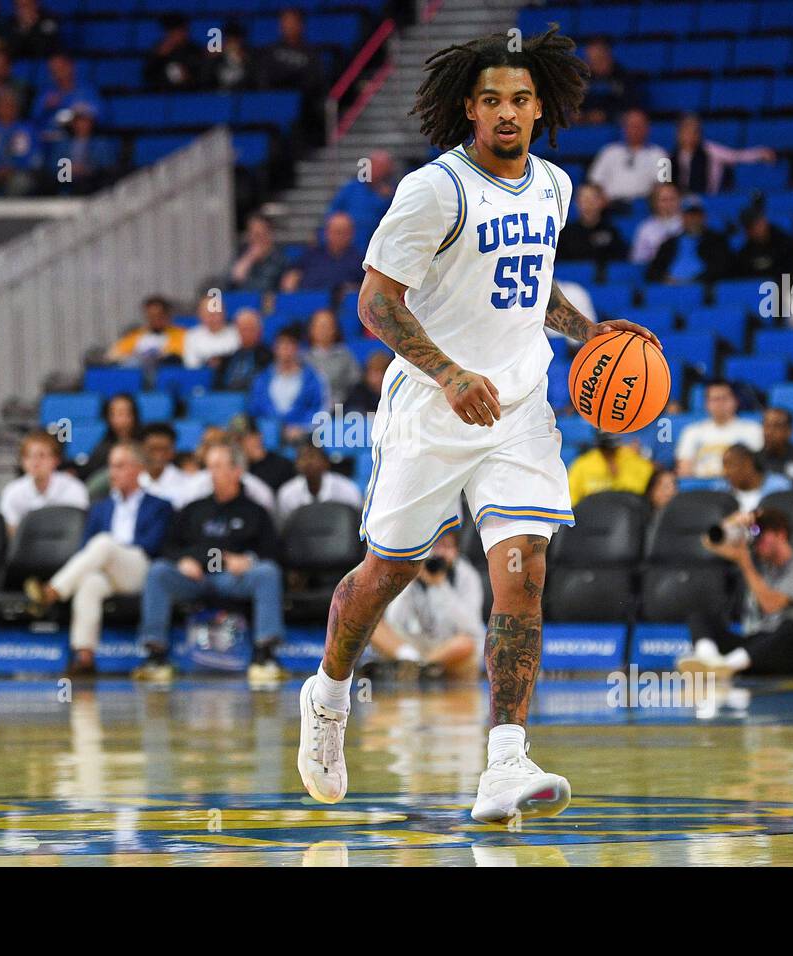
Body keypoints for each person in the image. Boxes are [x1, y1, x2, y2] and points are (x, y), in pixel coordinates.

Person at [296, 27, 658, 825]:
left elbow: (530, 295)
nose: (506, 112)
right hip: (433, 409)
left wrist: (588, 334)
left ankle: (505, 760)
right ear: (469, 106)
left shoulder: (556, 187)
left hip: (521, 407)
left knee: (523, 569)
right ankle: (326, 696)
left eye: (520, 100)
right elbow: (376, 302)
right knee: (386, 574)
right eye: (491, 99)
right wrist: (450, 373)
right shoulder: (434, 191)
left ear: (540, 109)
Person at [137, 443, 284, 683]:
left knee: (268, 573)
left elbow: (275, 553)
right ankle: (155, 654)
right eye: (209, 467)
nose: (210, 473)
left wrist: (249, 560)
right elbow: (166, 546)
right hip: (195, 577)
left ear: (237, 471)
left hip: (233, 578)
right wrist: (181, 560)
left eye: (217, 467)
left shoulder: (255, 511)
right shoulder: (194, 508)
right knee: (158, 572)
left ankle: (264, 654)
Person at [26, 442, 173, 674]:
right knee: (89, 583)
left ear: (138, 469)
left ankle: (52, 591)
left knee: (104, 543)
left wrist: (114, 550)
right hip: (105, 569)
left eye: (120, 466)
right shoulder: (100, 507)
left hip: (140, 568)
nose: (113, 472)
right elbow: (86, 546)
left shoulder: (159, 506)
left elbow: (152, 545)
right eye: (111, 466)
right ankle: (85, 656)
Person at [678, 507, 793, 677]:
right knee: (700, 618)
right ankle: (710, 661)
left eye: (762, 535)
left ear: (781, 534)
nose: (757, 544)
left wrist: (745, 563)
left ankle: (727, 666)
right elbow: (709, 541)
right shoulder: (759, 561)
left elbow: (771, 605)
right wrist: (736, 521)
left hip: (786, 652)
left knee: (790, 628)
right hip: (751, 648)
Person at [368, 529, 485, 678]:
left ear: (456, 551)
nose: (439, 553)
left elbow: (471, 627)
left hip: (447, 646)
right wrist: (409, 580)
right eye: (435, 546)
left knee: (465, 643)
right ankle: (417, 664)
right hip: (414, 645)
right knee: (374, 626)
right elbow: (394, 619)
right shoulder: (411, 568)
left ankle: (417, 668)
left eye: (446, 547)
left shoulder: (467, 575)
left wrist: (440, 586)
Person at [0, 430, 89, 533]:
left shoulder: (74, 488)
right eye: (28, 456)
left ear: (56, 459)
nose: (35, 462)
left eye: (42, 455)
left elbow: (78, 527)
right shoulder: (12, 491)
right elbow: (12, 531)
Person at [247, 327, 327, 442]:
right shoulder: (261, 379)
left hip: (303, 437)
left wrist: (303, 428)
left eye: (290, 345)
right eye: (282, 345)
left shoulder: (313, 378)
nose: (286, 350)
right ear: (275, 348)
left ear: (298, 349)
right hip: (266, 436)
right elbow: (254, 409)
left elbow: (320, 409)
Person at [670, 113, 775, 196]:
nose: (689, 136)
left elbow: (736, 156)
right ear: (678, 134)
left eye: (693, 131)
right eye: (685, 131)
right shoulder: (669, 157)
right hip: (678, 203)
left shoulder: (710, 150)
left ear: (699, 133)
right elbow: (663, 183)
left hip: (708, 200)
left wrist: (760, 153)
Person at [675, 380, 763, 478]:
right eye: (715, 399)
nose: (720, 404)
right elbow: (684, 469)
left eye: (724, 398)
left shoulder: (753, 429)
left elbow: (756, 466)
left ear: (735, 401)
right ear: (706, 404)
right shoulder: (692, 431)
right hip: (701, 488)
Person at [586, 108, 669, 206]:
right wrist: (602, 198)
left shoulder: (661, 154)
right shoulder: (608, 151)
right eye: (631, 125)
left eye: (639, 126)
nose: (635, 129)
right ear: (624, 128)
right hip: (610, 205)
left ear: (647, 128)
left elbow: (664, 186)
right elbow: (595, 181)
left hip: (644, 206)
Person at [645, 195, 731, 285]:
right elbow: (652, 271)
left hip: (702, 290)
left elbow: (721, 268)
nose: (693, 219)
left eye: (696, 215)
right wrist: (665, 279)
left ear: (704, 217)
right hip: (670, 289)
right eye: (689, 215)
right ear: (682, 217)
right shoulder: (669, 243)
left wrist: (694, 281)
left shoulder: (717, 241)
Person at [275, 440, 363, 525]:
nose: (308, 462)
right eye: (303, 457)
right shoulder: (287, 492)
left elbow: (359, 524)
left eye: (312, 456)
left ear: (326, 462)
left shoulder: (347, 489)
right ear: (296, 464)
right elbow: (285, 530)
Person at [281, 212, 364, 295]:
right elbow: (293, 274)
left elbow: (366, 288)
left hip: (343, 304)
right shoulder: (311, 254)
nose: (339, 236)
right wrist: (289, 287)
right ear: (326, 232)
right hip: (309, 301)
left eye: (343, 232)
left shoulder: (359, 260)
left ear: (351, 234)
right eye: (335, 231)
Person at [326, 149, 398, 244]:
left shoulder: (394, 193)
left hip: (378, 242)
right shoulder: (351, 188)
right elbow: (333, 213)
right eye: (376, 165)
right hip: (349, 243)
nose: (378, 170)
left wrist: (387, 198)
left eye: (382, 167)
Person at [47, 103, 118, 196]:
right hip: (67, 181)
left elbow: (106, 165)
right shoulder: (63, 144)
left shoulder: (101, 144)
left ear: (91, 123)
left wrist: (87, 169)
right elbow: (53, 165)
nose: (81, 124)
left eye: (85, 121)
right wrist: (69, 169)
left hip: (92, 182)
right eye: (78, 121)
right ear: (73, 124)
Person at [30, 53, 102, 142]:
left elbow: (97, 115)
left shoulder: (86, 91)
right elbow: (34, 118)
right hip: (47, 140)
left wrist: (77, 114)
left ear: (71, 66)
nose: (57, 73)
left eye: (61, 68)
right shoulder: (45, 93)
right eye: (53, 71)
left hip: (74, 139)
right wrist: (46, 107)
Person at [566, 433, 654, 504]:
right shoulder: (583, 464)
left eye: (613, 449)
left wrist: (617, 476)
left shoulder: (631, 458)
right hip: (592, 515)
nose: (609, 452)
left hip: (626, 511)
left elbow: (644, 490)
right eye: (604, 449)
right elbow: (572, 498)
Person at [555, 181, 628, 264]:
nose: (588, 203)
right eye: (583, 199)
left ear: (602, 202)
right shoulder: (565, 233)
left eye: (592, 199)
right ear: (577, 203)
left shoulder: (611, 232)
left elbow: (619, 265)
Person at [75, 393, 141, 484]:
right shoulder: (102, 449)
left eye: (126, 412)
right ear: (108, 417)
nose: (122, 418)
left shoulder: (145, 444)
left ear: (134, 414)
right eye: (116, 413)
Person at [104, 296, 185, 369]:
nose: (155, 319)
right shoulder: (137, 335)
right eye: (151, 316)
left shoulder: (180, 334)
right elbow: (113, 354)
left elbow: (177, 355)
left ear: (167, 315)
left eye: (158, 315)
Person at [305, 309, 361, 408]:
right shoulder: (302, 358)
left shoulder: (346, 355)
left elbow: (355, 383)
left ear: (335, 329)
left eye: (328, 326)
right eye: (320, 326)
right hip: (309, 410)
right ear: (311, 329)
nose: (324, 330)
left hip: (341, 409)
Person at [229, 413, 296, 495]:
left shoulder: (282, 467)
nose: (241, 444)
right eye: (238, 441)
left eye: (247, 438)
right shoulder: (233, 469)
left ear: (259, 436)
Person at [732, 207, 793, 283]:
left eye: (757, 223)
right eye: (750, 227)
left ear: (764, 221)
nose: (756, 229)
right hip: (756, 291)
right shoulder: (744, 252)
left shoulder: (787, 244)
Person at [580, 38, 637, 124]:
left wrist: (606, 115)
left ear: (607, 56)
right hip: (585, 125)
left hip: (614, 124)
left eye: (598, 59)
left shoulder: (624, 78)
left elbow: (630, 107)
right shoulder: (582, 78)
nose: (593, 64)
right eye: (590, 60)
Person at [227, 213, 288, 295]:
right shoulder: (242, 254)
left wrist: (248, 261)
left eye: (259, 234)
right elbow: (224, 284)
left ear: (269, 234)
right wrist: (247, 260)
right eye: (252, 233)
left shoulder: (279, 258)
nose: (255, 239)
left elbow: (263, 287)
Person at [142, 13, 205, 92]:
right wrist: (159, 57)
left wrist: (190, 78)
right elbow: (147, 77)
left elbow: (203, 77)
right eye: (172, 31)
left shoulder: (195, 50)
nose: (176, 35)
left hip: (190, 95)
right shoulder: (158, 50)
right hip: (162, 95)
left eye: (180, 30)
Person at [720, 443, 791, 511]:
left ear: (747, 464)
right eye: (724, 466)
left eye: (730, 465)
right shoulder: (722, 491)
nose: (725, 473)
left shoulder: (780, 486)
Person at [215, 308, 272, 392]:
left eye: (251, 329)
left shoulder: (269, 357)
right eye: (243, 329)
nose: (247, 333)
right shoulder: (227, 359)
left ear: (260, 330)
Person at [138, 423, 194, 507]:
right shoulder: (135, 480)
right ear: (142, 450)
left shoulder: (186, 483)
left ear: (173, 451)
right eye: (153, 449)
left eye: (164, 449)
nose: (159, 455)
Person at [182, 293, 241, 371]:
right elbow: (191, 366)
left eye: (216, 314)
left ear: (224, 313)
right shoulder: (192, 336)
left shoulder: (237, 333)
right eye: (208, 314)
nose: (212, 318)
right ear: (200, 315)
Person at [629, 182, 682, 266]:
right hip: (657, 272)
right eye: (664, 200)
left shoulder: (688, 222)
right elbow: (638, 260)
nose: (668, 204)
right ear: (655, 203)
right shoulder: (646, 228)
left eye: (672, 199)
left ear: (679, 200)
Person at [343, 350, 389, 415]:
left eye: (381, 372)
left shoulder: (396, 393)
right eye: (374, 372)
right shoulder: (358, 392)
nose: (377, 378)